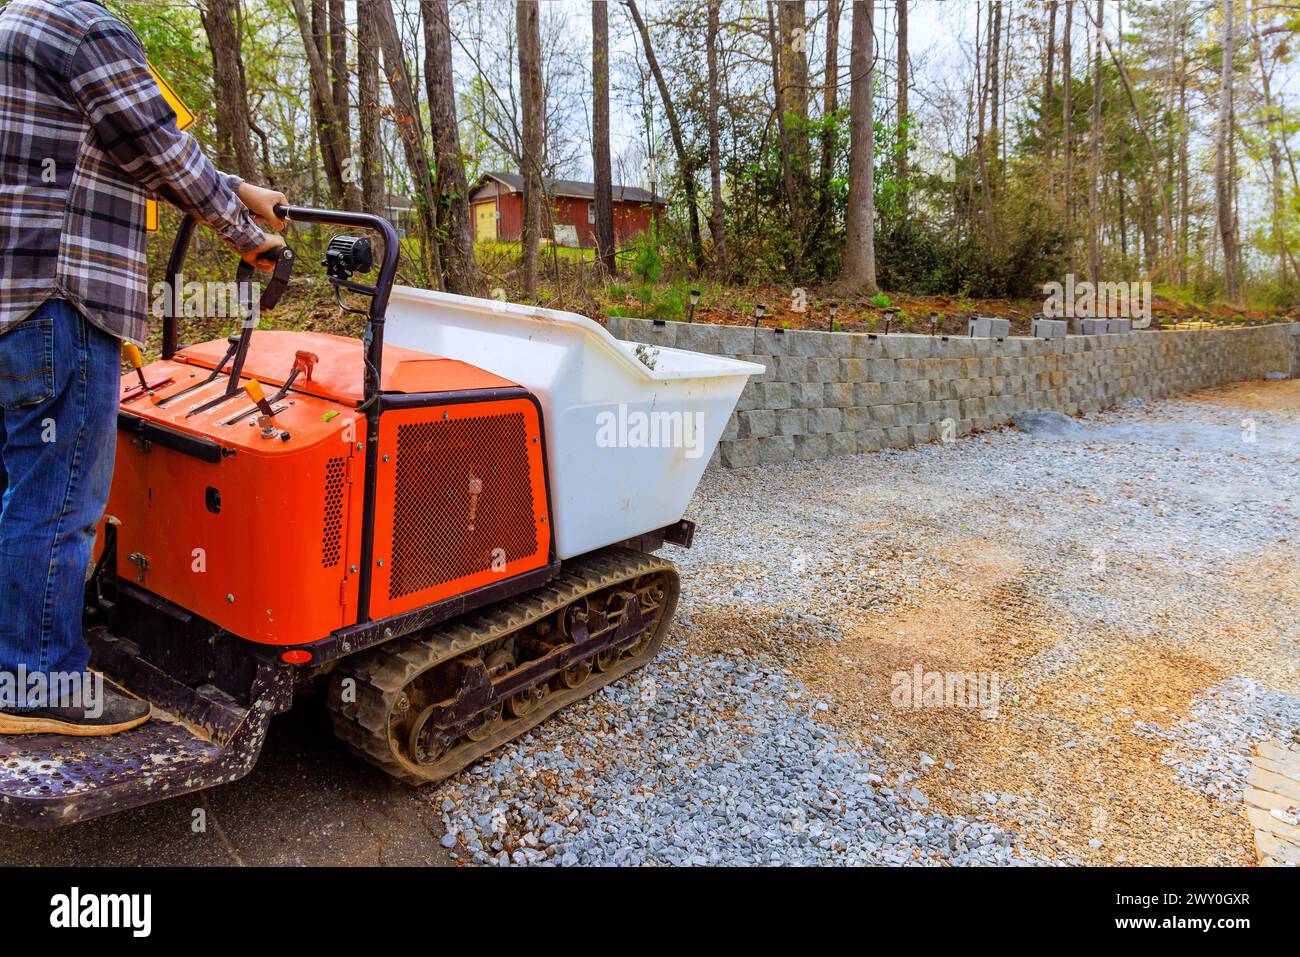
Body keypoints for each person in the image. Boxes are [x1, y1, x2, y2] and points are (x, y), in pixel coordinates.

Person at [0, 0, 287, 735]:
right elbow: (157, 146)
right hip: (64, 300)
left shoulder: (18, 23)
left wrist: (237, 185)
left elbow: (115, 140)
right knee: (59, 502)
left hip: (16, 303)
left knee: (21, 486)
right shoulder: (87, 29)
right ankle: (34, 680)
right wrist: (247, 233)